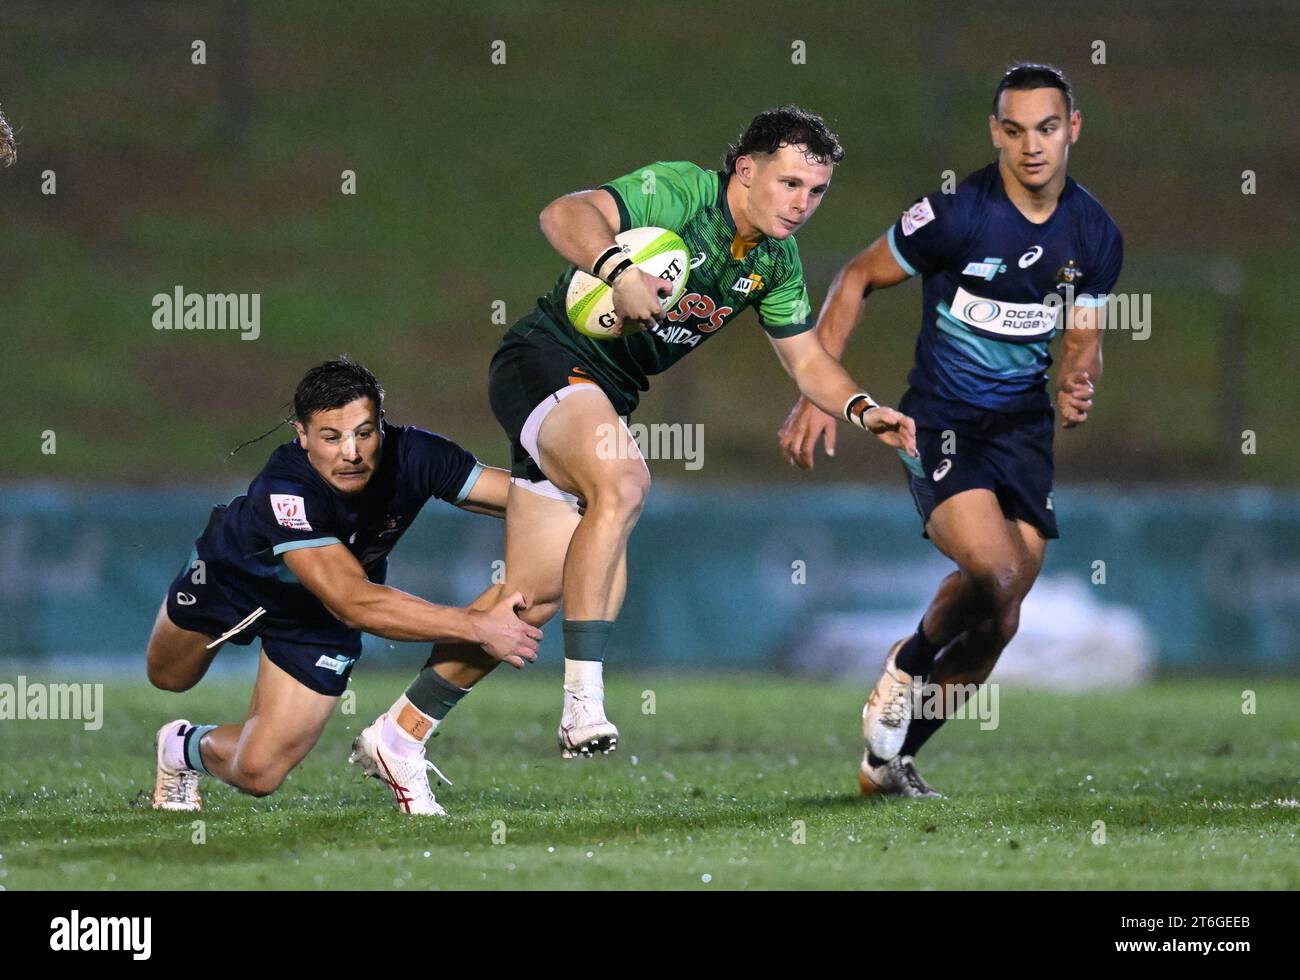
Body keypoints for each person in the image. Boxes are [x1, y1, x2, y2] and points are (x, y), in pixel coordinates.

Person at [369, 105, 917, 798]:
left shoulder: (776, 261)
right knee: (624, 480)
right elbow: (561, 214)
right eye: (789, 184)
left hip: (605, 394)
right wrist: (616, 266)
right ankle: (581, 704)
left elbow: (808, 363)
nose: (802, 204)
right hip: (545, 362)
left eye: (816, 191)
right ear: (745, 171)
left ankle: (399, 731)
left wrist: (866, 410)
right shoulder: (683, 190)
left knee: (534, 596)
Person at [777, 64, 1123, 797]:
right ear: (998, 133)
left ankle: (889, 760)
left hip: (1023, 434)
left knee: (1001, 620)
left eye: (1049, 128)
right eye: (1017, 129)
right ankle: (905, 667)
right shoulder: (956, 214)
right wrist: (819, 384)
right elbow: (857, 277)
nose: (1033, 146)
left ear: (1074, 130)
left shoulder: (1094, 233)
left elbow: (1085, 332)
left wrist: (1079, 371)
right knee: (995, 573)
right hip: (941, 423)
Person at [147, 357, 541, 814]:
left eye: (365, 432)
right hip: (235, 582)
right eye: (331, 437)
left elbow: (525, 500)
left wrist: (590, 494)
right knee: (169, 676)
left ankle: (181, 747)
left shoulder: (416, 455)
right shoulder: (285, 488)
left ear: (382, 425)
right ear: (302, 435)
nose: (351, 452)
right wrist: (476, 626)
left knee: (260, 773)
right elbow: (354, 601)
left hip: (316, 615)